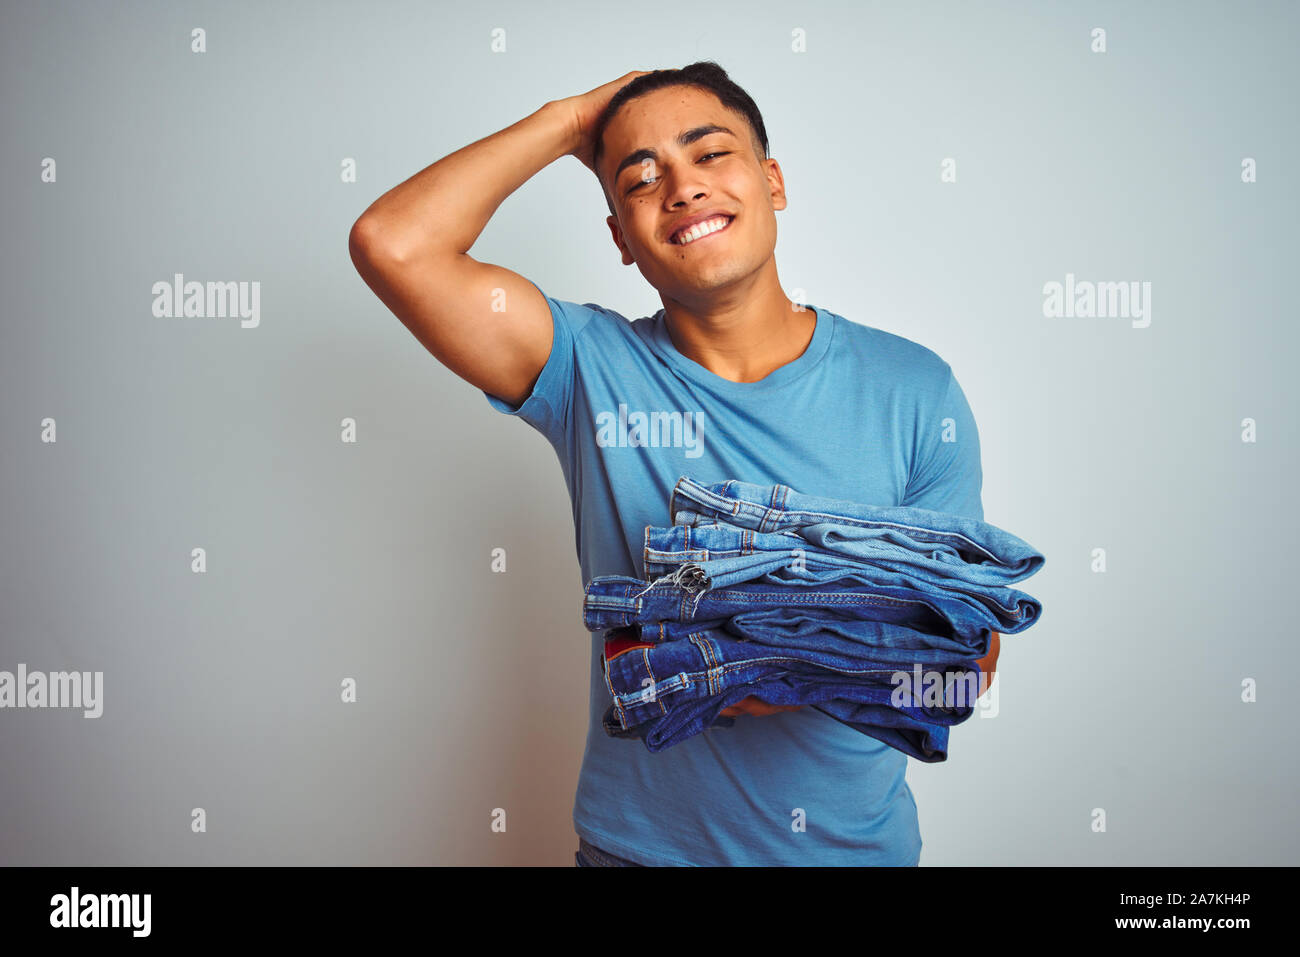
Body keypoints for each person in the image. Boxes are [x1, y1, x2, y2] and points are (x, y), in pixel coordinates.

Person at [348, 62, 1000, 867]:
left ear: (772, 181)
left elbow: (964, 666)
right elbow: (393, 243)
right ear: (621, 239)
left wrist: (777, 659)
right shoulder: (587, 366)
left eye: (710, 154)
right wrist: (569, 120)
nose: (682, 188)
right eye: (642, 177)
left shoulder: (913, 388)